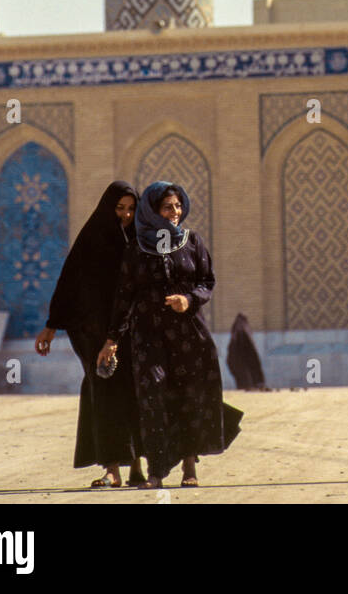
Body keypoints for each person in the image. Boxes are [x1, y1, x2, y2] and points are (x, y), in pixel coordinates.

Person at [98, 181, 243, 489]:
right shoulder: (137, 248)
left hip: (188, 335)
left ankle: (189, 467)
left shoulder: (192, 242)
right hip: (147, 334)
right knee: (152, 396)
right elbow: (124, 296)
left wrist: (188, 300)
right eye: (167, 207)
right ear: (152, 211)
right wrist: (112, 339)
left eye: (178, 206)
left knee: (188, 396)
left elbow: (207, 281)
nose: (175, 213)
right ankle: (156, 471)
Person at [35, 180, 145, 488]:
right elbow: (69, 279)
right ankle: (112, 468)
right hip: (94, 331)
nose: (125, 215)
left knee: (134, 394)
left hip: (131, 332)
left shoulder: (139, 240)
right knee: (104, 391)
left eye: (131, 209)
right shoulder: (93, 238)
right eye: (119, 208)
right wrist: (52, 324)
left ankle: (137, 466)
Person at [226, 313, 266, 391]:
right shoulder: (242, 334)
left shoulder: (236, 335)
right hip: (244, 369)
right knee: (247, 389)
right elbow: (252, 356)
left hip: (240, 368)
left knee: (245, 388)